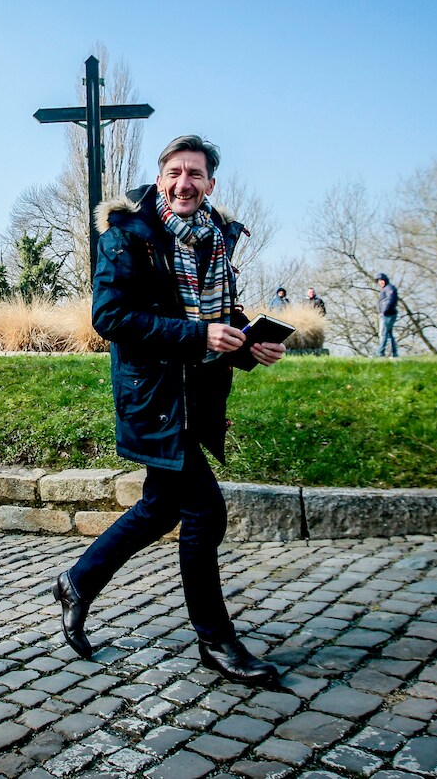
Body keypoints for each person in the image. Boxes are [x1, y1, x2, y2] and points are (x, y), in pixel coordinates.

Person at [52, 134, 285, 686]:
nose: (185, 183)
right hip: (154, 400)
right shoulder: (128, 236)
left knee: (160, 508)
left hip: (198, 398)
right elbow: (110, 319)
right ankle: (216, 640)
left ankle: (77, 582)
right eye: (175, 172)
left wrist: (252, 345)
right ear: (160, 180)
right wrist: (199, 334)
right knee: (205, 513)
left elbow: (222, 314)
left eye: (196, 174)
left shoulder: (219, 239)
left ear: (210, 184)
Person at [376, 272, 398, 357]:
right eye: (379, 281)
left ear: (385, 280)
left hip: (388, 314)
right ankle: (394, 353)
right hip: (386, 314)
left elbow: (391, 299)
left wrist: (385, 311)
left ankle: (380, 353)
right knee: (389, 334)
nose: (380, 282)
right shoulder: (385, 289)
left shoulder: (389, 288)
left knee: (383, 333)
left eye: (381, 280)